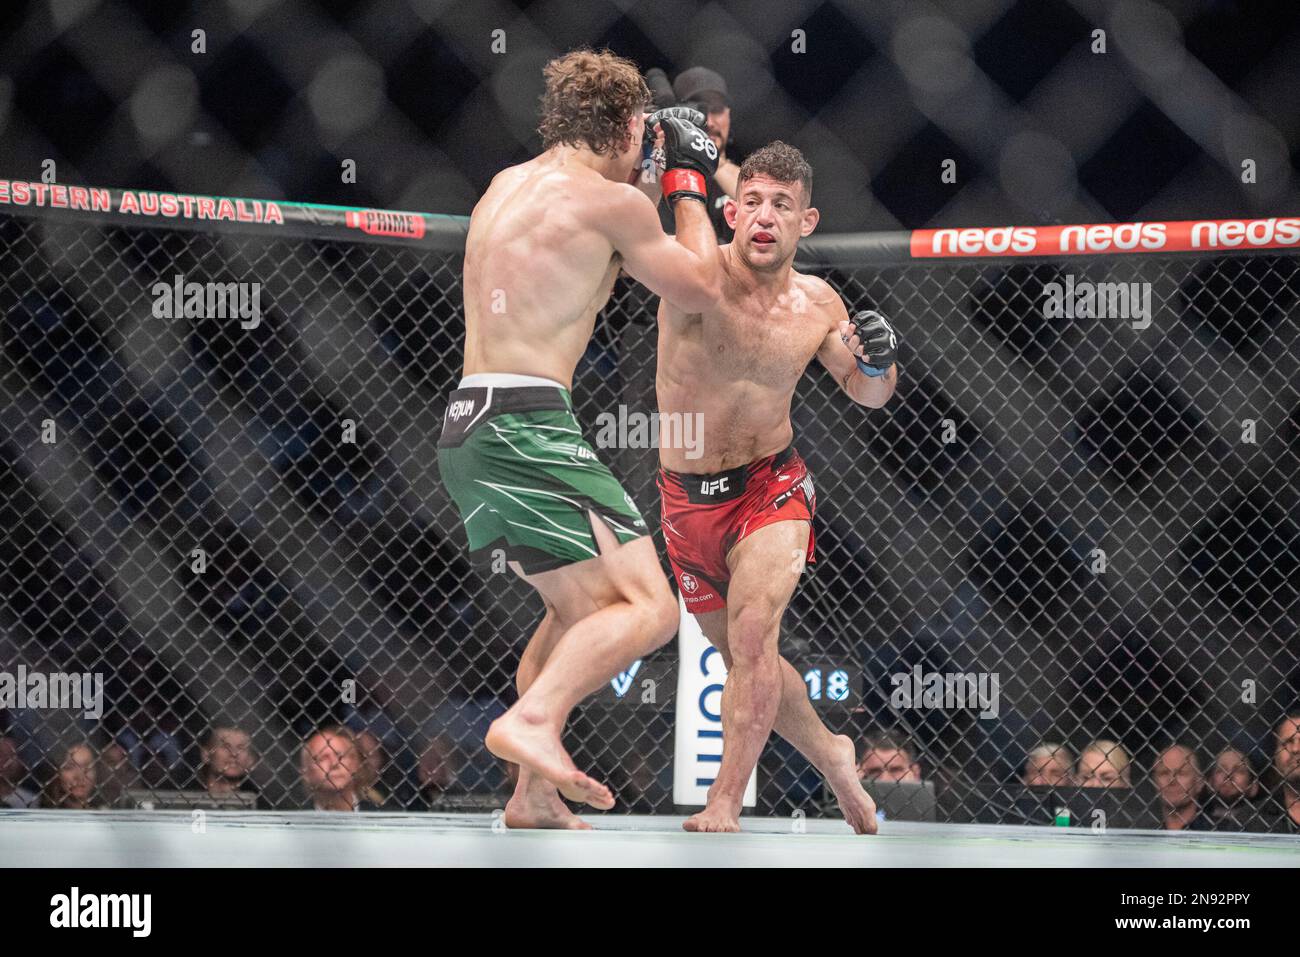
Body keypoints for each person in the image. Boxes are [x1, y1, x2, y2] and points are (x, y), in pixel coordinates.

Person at [436, 48, 723, 828]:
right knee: (650, 608)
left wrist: (642, 174)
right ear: (630, 125)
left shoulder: (506, 186)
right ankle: (531, 721)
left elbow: (580, 253)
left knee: (573, 614)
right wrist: (686, 179)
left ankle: (531, 795)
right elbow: (703, 288)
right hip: (529, 423)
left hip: (468, 425)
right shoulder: (613, 205)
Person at [654, 140, 899, 833]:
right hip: (685, 501)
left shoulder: (818, 302)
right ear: (731, 211)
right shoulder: (694, 273)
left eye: (782, 206)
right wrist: (676, 165)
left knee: (756, 636)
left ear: (806, 221)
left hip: (771, 488)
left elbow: (868, 392)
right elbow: (650, 214)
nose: (765, 217)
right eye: (753, 202)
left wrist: (882, 362)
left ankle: (724, 798)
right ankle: (834, 753)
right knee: (742, 657)